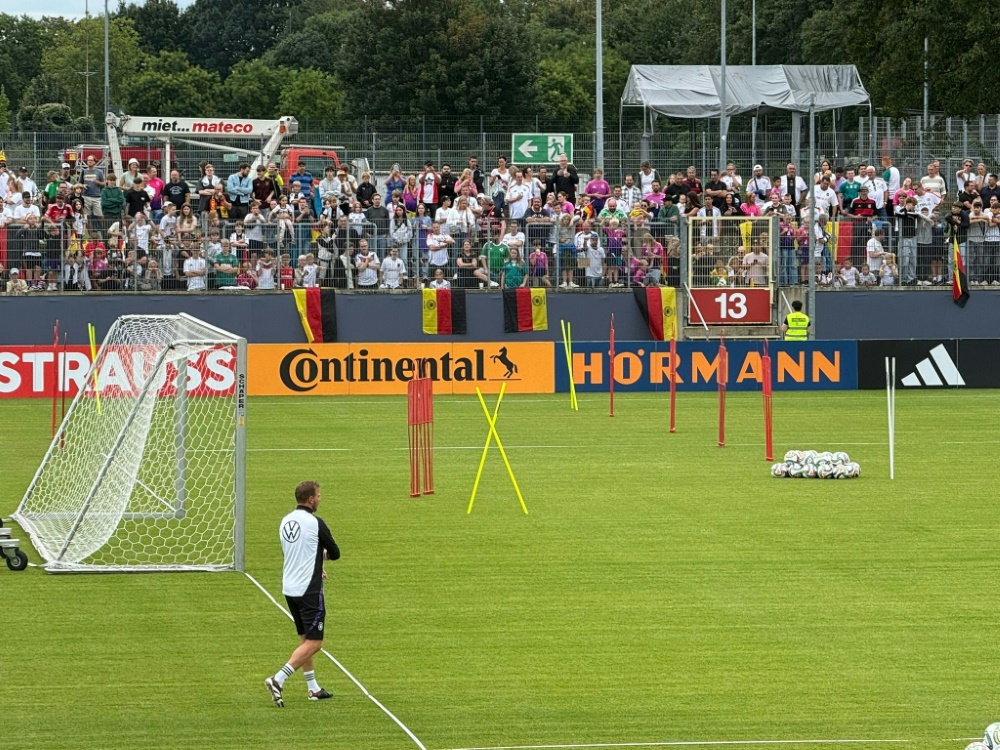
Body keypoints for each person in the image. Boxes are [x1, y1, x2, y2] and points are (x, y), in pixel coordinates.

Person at [265, 481, 340, 708]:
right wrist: (321, 560)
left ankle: (313, 688)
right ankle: (278, 679)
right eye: (318, 496)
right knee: (315, 642)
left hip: (289, 587)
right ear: (310, 499)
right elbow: (334, 552)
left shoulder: (285, 520)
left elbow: (296, 550)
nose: (320, 499)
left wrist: (316, 562)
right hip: (309, 589)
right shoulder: (316, 523)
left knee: (305, 638)